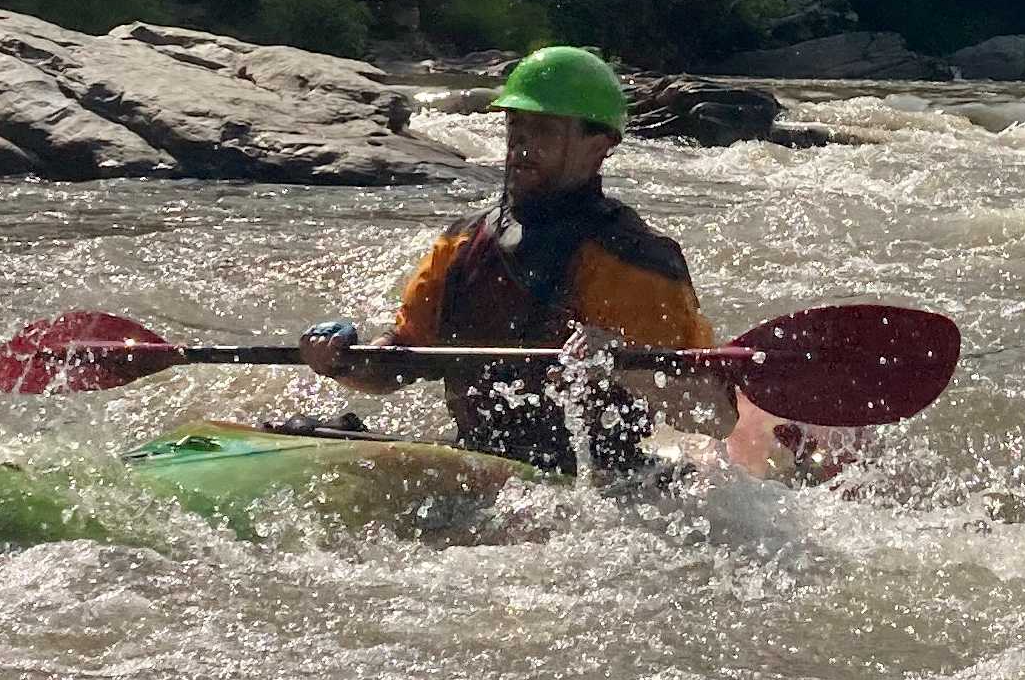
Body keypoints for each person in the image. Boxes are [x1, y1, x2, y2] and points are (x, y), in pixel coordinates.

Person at [298, 45, 754, 475]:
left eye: (546, 130)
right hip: (479, 464)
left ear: (599, 146)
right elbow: (402, 359)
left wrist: (623, 363)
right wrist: (342, 361)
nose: (523, 144)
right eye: (517, 126)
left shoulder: (634, 258)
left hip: (602, 485)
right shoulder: (462, 243)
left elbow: (714, 415)